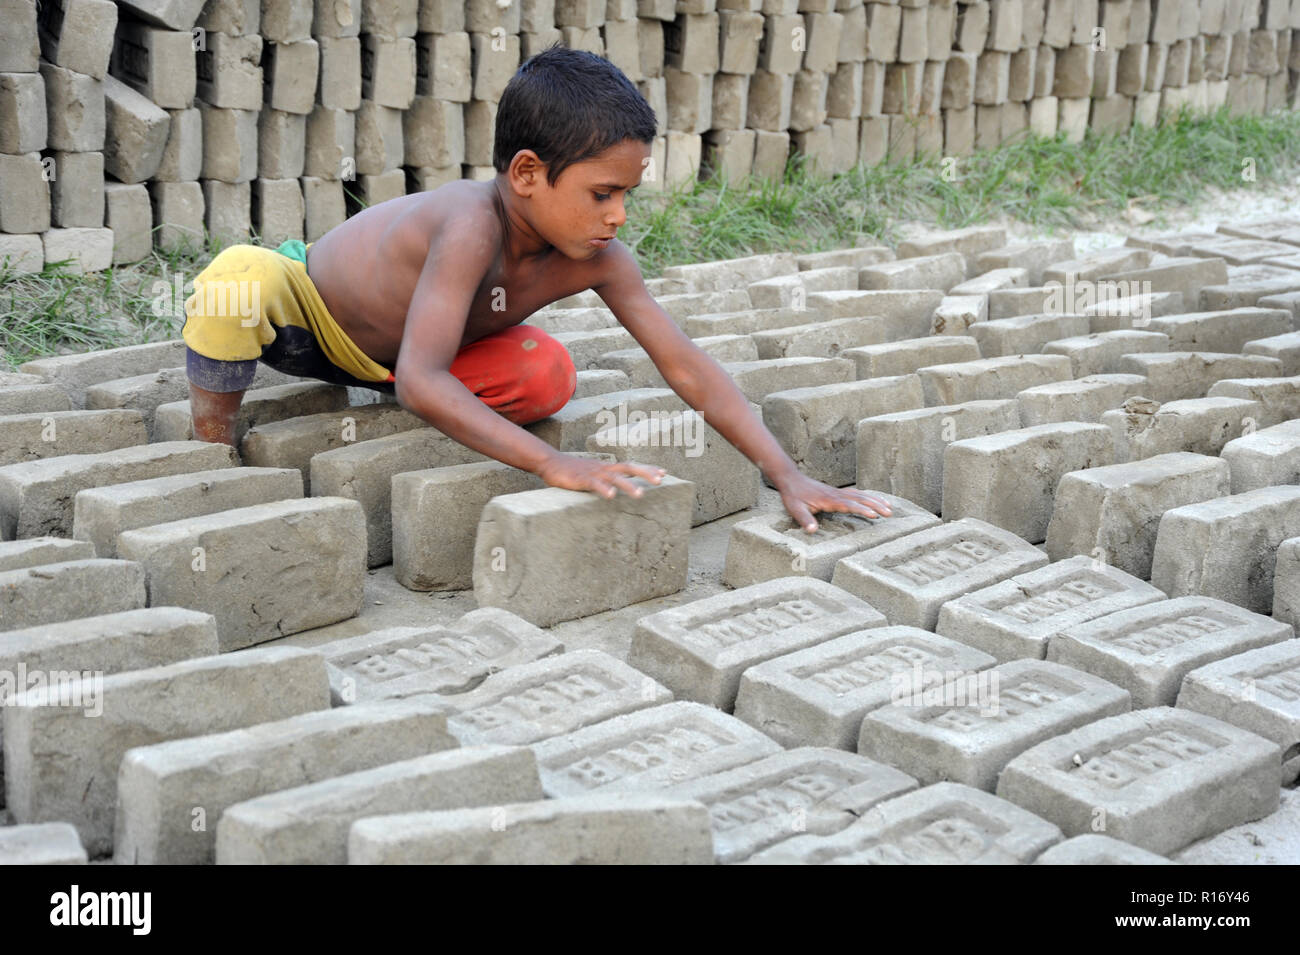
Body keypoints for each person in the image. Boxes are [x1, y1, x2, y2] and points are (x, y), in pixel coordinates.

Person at [181, 44, 891, 533]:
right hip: (314, 319)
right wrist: (552, 462)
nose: (618, 215)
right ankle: (210, 447)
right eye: (603, 193)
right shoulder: (468, 227)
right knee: (236, 279)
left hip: (404, 355)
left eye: (627, 195)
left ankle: (397, 396)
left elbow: (686, 364)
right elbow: (425, 382)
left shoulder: (599, 257)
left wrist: (786, 474)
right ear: (526, 174)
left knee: (545, 371)